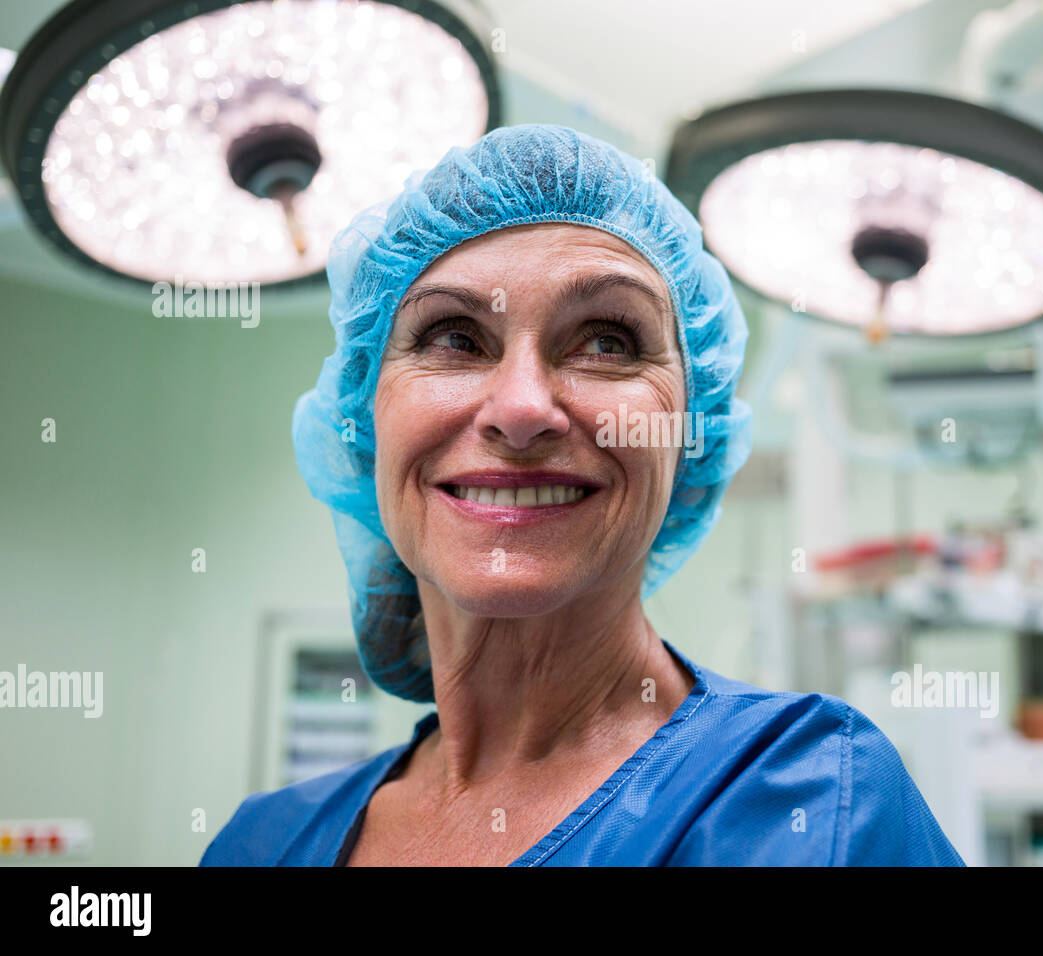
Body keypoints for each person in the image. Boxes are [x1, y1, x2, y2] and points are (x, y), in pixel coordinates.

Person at [200, 124, 964, 866]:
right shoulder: (262, 846)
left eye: (607, 341)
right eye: (454, 339)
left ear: (688, 433)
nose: (523, 408)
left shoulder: (810, 804)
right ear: (365, 422)